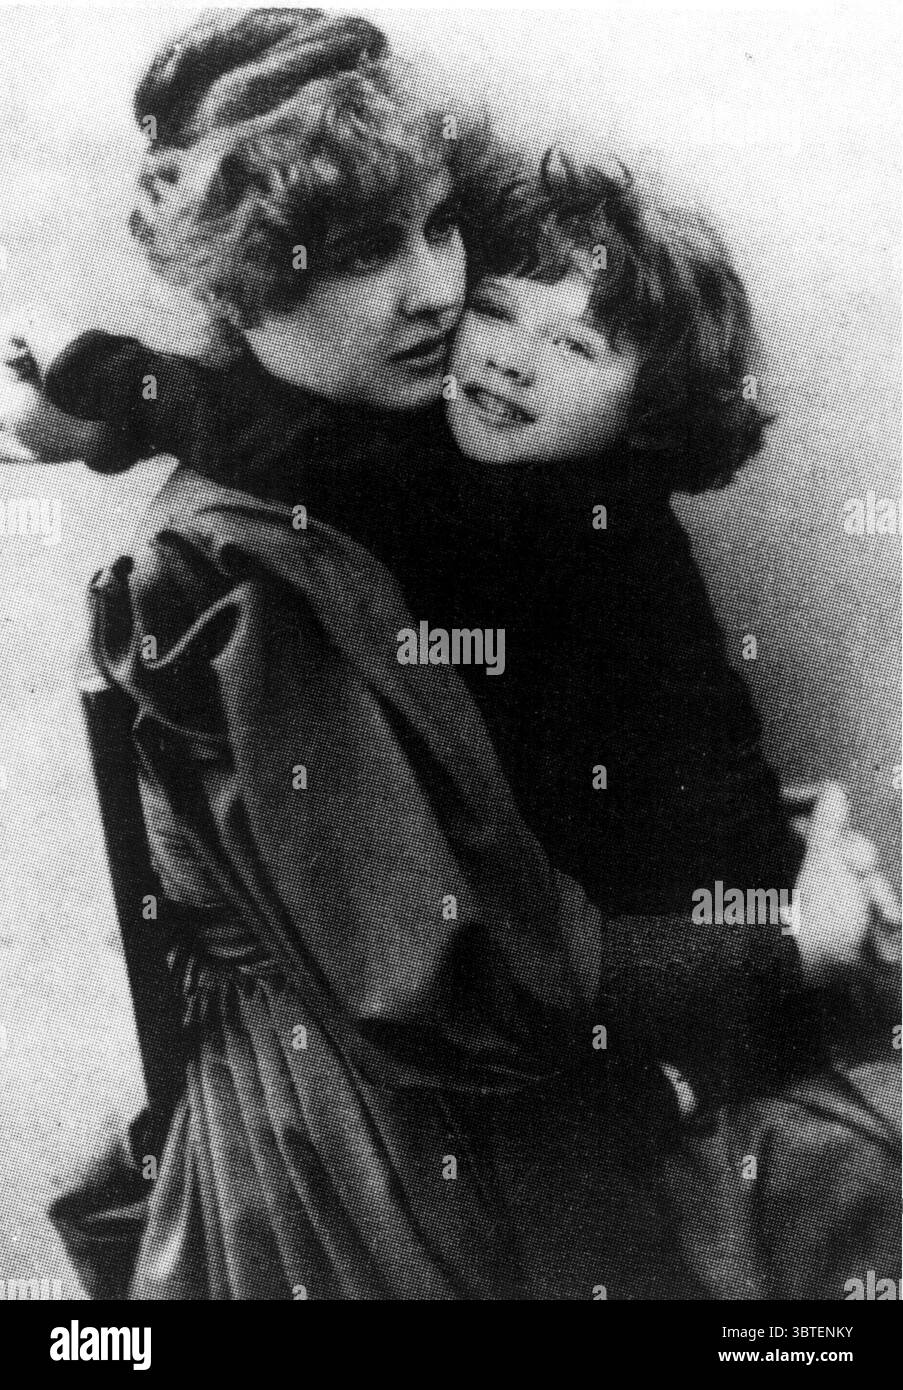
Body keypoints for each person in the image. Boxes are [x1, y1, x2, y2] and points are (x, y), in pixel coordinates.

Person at [2, 9, 897, 1299]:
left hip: (583, 1003)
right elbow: (451, 982)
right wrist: (780, 942)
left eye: (438, 227)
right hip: (408, 1129)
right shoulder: (254, 561)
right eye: (368, 252)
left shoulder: (436, 456)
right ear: (252, 280)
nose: (438, 293)